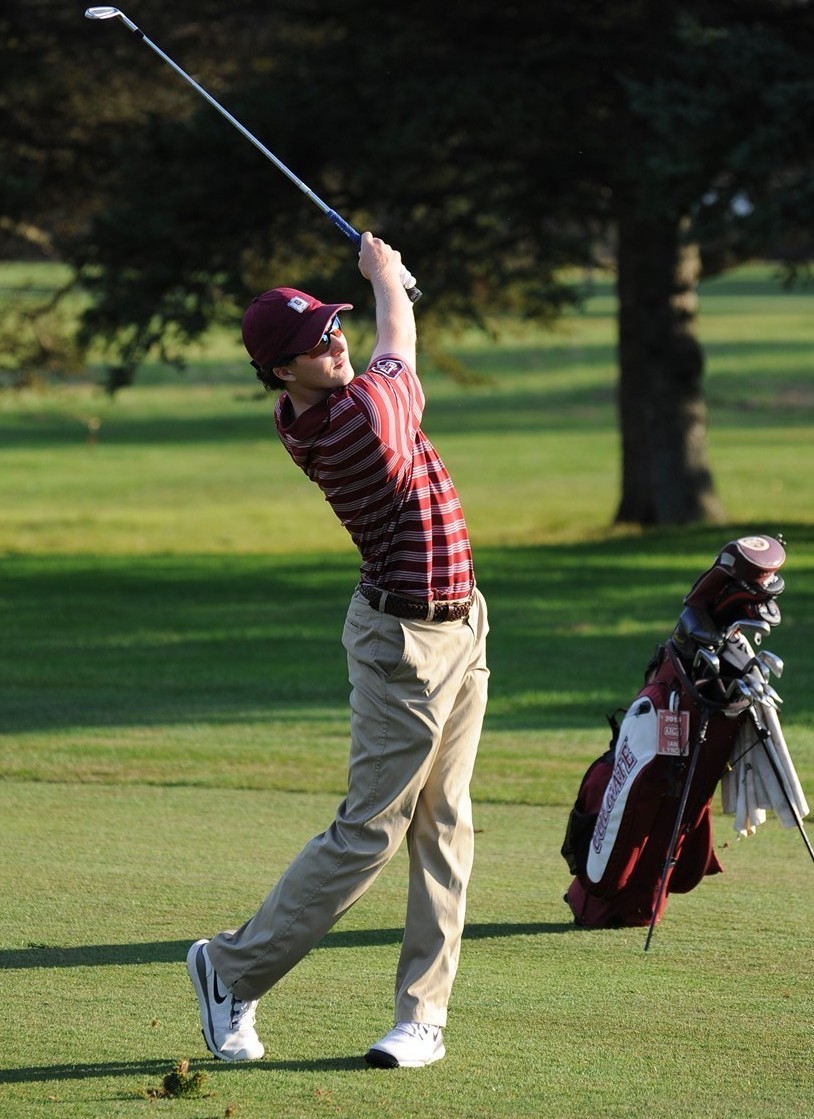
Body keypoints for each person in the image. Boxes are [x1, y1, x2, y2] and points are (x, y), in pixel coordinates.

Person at [186, 232, 489, 1069]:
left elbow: (383, 341)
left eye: (331, 325)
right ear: (284, 373)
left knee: (446, 820)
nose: (333, 342)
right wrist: (388, 276)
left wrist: (383, 287)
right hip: (408, 645)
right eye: (313, 343)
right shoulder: (358, 420)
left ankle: (421, 1015)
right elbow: (399, 340)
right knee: (370, 831)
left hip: (461, 624)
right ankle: (230, 966)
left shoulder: (310, 407)